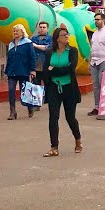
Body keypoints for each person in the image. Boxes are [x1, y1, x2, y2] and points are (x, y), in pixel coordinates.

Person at [38, 25, 82, 157]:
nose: (67, 36)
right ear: (57, 38)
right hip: (53, 88)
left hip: (69, 88)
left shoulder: (72, 51)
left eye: (67, 34)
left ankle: (78, 139)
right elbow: (46, 70)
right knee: (53, 117)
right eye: (64, 35)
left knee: (70, 117)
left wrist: (54, 69)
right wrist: (52, 73)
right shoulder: (50, 52)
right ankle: (54, 147)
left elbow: (71, 68)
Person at [5, 25, 36, 120]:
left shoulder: (28, 43)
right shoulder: (10, 44)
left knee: (25, 92)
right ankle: (12, 112)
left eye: (17, 31)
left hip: (23, 70)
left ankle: (30, 107)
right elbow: (9, 59)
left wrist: (32, 69)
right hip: (12, 72)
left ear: (22, 32)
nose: (15, 33)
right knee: (11, 91)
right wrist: (7, 70)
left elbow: (32, 57)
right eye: (14, 31)